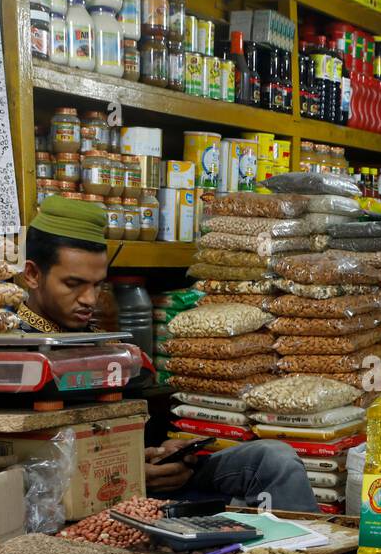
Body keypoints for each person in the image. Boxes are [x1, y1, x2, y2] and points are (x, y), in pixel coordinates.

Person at [19, 196, 319, 512]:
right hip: (79, 494)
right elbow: (27, 466)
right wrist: (132, 474)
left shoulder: (110, 348)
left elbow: (131, 434)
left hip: (147, 484)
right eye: (74, 284)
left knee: (273, 459)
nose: (90, 299)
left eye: (98, 285)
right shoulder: (9, 355)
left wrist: (160, 453)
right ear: (32, 275)